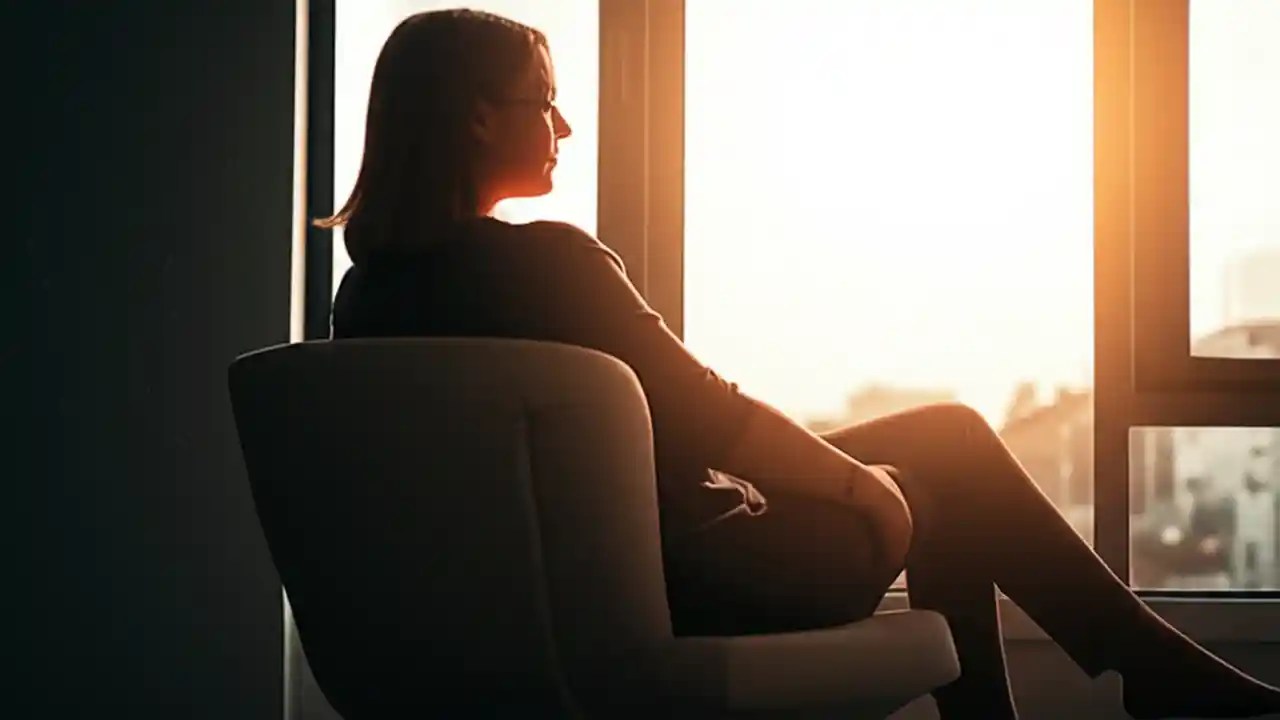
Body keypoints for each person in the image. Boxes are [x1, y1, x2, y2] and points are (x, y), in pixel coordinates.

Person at [319, 9, 1280, 719]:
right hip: (704, 584)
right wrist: (865, 492)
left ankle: (1140, 671)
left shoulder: (362, 307)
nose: (565, 128)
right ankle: (1145, 675)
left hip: (546, 611)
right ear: (478, 119)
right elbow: (707, 416)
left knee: (945, 433)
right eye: (545, 101)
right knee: (944, 474)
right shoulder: (548, 265)